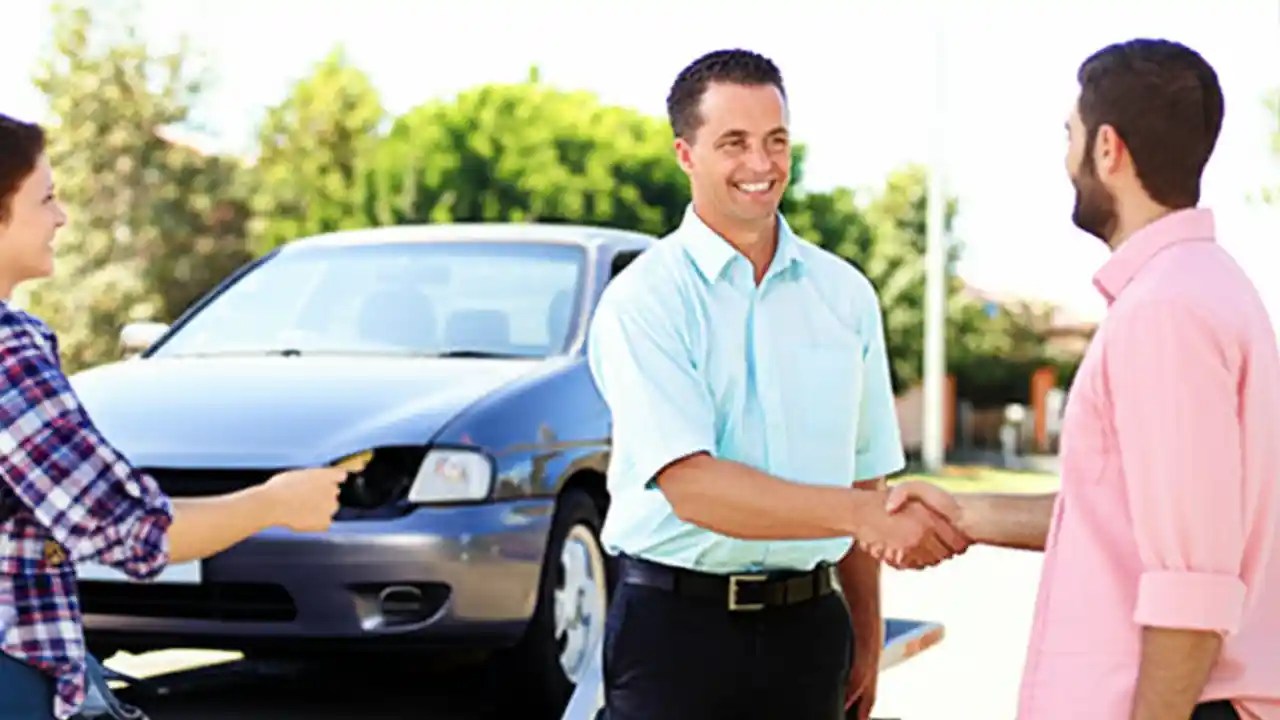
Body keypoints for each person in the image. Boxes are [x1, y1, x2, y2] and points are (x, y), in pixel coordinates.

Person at [884, 39, 1280, 720]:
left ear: (1107, 149)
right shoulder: (1196, 288)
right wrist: (966, 513)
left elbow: (1191, 585)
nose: (1065, 159)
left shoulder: (1167, 310)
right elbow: (1127, 517)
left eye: (1069, 135)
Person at [585, 49, 968, 720]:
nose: (762, 165)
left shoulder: (845, 296)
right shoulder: (644, 301)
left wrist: (867, 639)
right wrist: (860, 515)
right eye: (734, 143)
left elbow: (864, 478)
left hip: (810, 631)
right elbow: (693, 486)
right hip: (674, 633)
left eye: (776, 141)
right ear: (685, 154)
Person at [0, 112, 350, 720]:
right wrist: (276, 503)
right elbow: (129, 529)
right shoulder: (8, 354)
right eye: (46, 198)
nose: (61, 217)